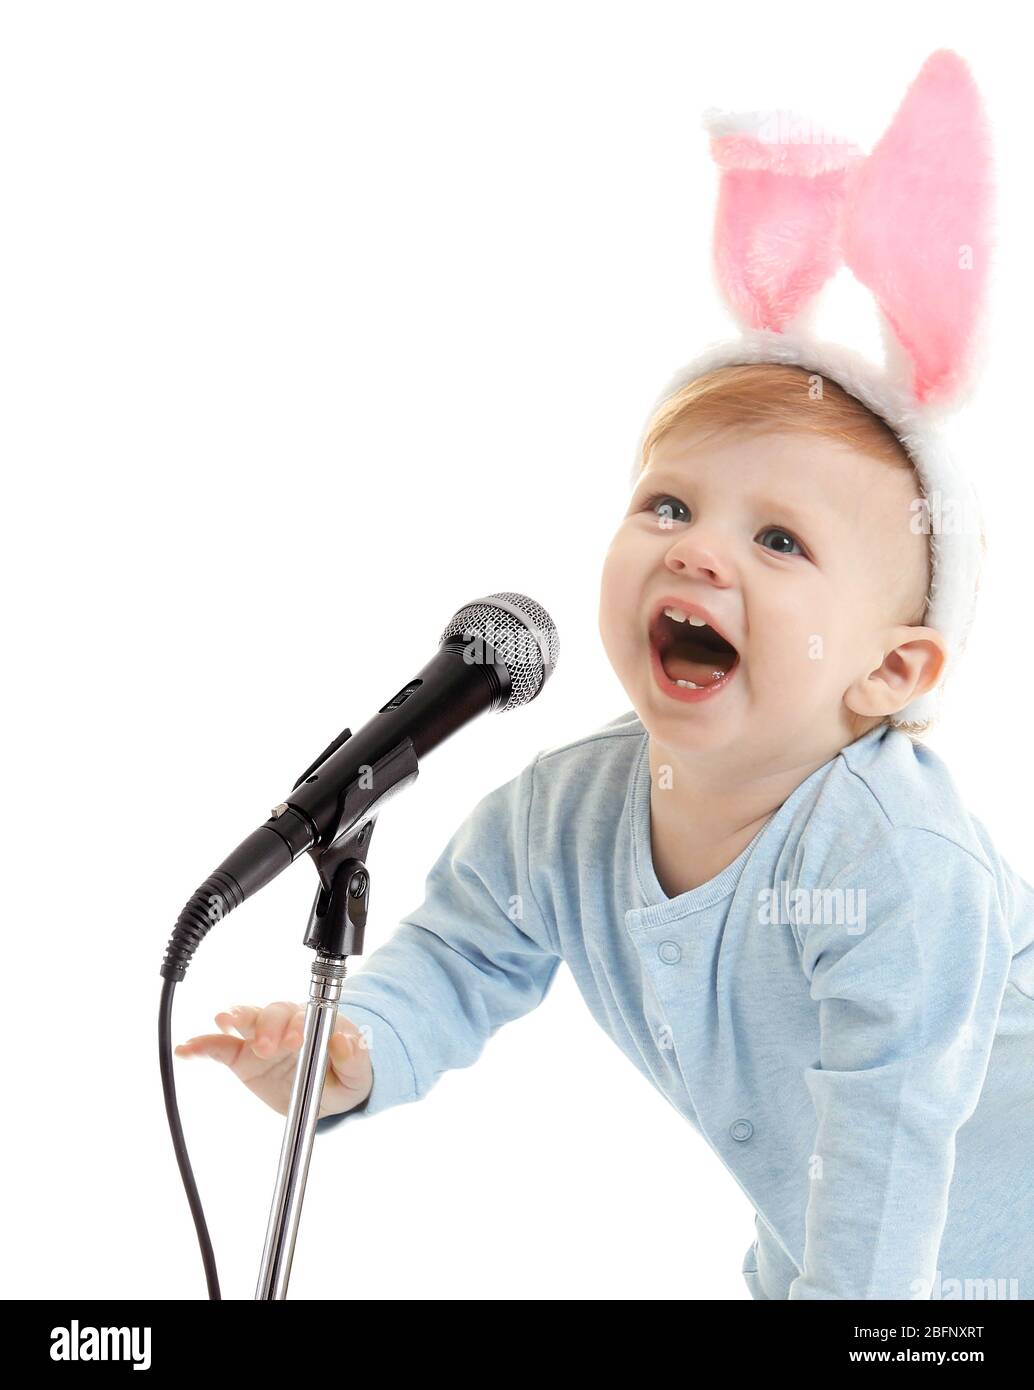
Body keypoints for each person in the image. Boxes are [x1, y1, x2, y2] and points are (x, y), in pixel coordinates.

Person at [175, 49, 1034, 1300]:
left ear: (888, 670)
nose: (695, 547)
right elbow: (462, 955)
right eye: (669, 503)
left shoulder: (891, 866)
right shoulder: (562, 820)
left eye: (778, 539)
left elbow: (886, 1149)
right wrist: (349, 1046)